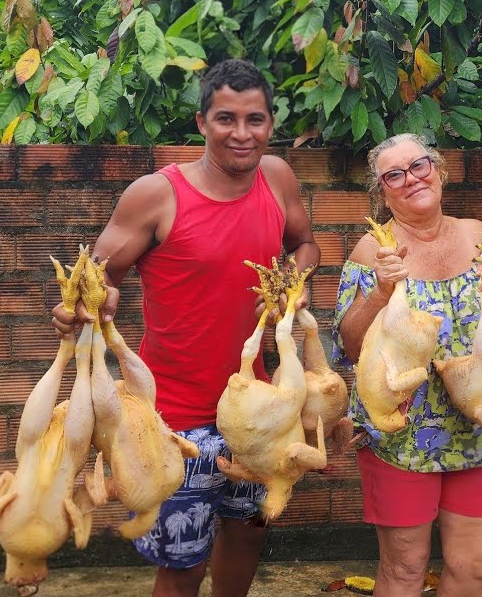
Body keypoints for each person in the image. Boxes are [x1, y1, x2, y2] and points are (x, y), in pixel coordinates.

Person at [51, 59, 319, 597]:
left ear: (271, 123)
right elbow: (98, 280)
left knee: (247, 535)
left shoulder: (277, 177)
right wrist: (83, 308)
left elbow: (303, 243)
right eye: (226, 119)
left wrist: (297, 279)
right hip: (173, 422)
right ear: (201, 123)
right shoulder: (156, 194)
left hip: (255, 413)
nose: (241, 134)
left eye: (255, 120)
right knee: (182, 567)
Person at [331, 133, 482, 597]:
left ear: (439, 170)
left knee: (478, 564)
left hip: (473, 425)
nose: (410, 179)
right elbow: (352, 347)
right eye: (393, 175)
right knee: (405, 569)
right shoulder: (372, 250)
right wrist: (380, 291)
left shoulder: (479, 235)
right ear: (382, 192)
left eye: (419, 166)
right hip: (400, 431)